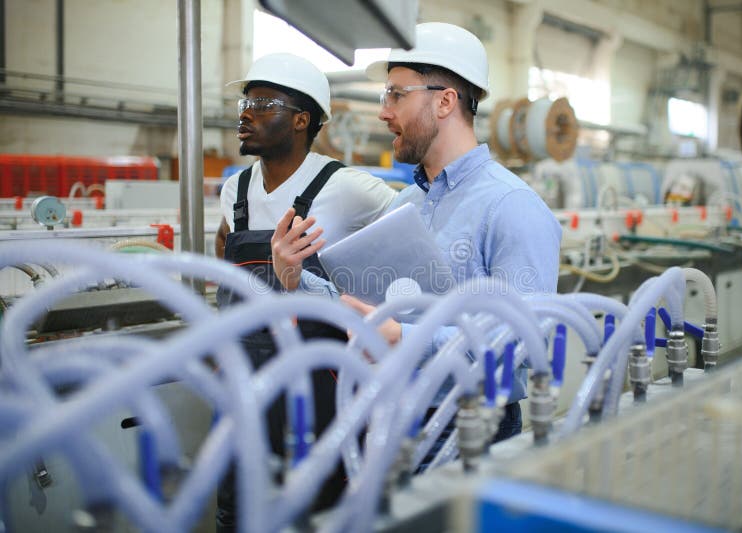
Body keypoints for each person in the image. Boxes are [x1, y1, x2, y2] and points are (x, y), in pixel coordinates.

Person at [272, 22, 561, 457]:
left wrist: (404, 338)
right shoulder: (407, 201)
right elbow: (371, 308)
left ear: (444, 101)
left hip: (473, 431)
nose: (383, 112)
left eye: (396, 94)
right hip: (393, 419)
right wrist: (296, 278)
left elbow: (525, 339)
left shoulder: (512, 205)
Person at [214, 52, 396, 531]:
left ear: (301, 120)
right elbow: (226, 265)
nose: (245, 113)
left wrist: (380, 313)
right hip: (246, 385)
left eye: (263, 103)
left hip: (320, 389)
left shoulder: (348, 189)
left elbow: (414, 234)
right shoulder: (232, 190)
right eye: (244, 103)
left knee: (317, 511)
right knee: (238, 507)